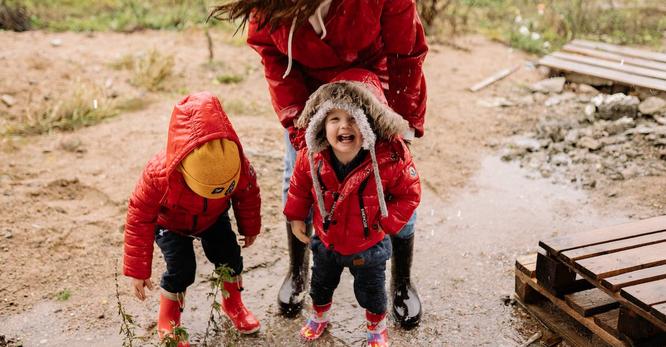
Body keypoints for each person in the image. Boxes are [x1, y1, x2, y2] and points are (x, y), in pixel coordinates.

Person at [209, 0, 428, 328]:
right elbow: (273, 54)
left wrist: (399, 120)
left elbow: (405, 51)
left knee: (393, 175)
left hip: (372, 85)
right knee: (295, 173)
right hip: (308, 91)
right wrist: (300, 129)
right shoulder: (267, 6)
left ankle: (401, 281)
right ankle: (298, 272)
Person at [284, 68, 421, 346]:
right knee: (320, 286)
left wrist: (388, 223)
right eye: (334, 119)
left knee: (373, 293)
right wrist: (297, 216)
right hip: (326, 242)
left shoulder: (390, 159)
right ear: (321, 124)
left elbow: (409, 193)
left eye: (353, 119)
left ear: (370, 124)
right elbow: (299, 185)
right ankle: (319, 316)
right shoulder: (312, 156)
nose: (343, 126)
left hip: (369, 245)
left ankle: (376, 326)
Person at [123, 92, 262, 345]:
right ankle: (169, 319)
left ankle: (234, 305)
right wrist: (138, 270)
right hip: (170, 225)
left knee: (229, 256)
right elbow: (139, 218)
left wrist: (249, 226)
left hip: (213, 217)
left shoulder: (236, 162)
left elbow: (248, 192)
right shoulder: (158, 175)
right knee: (182, 268)